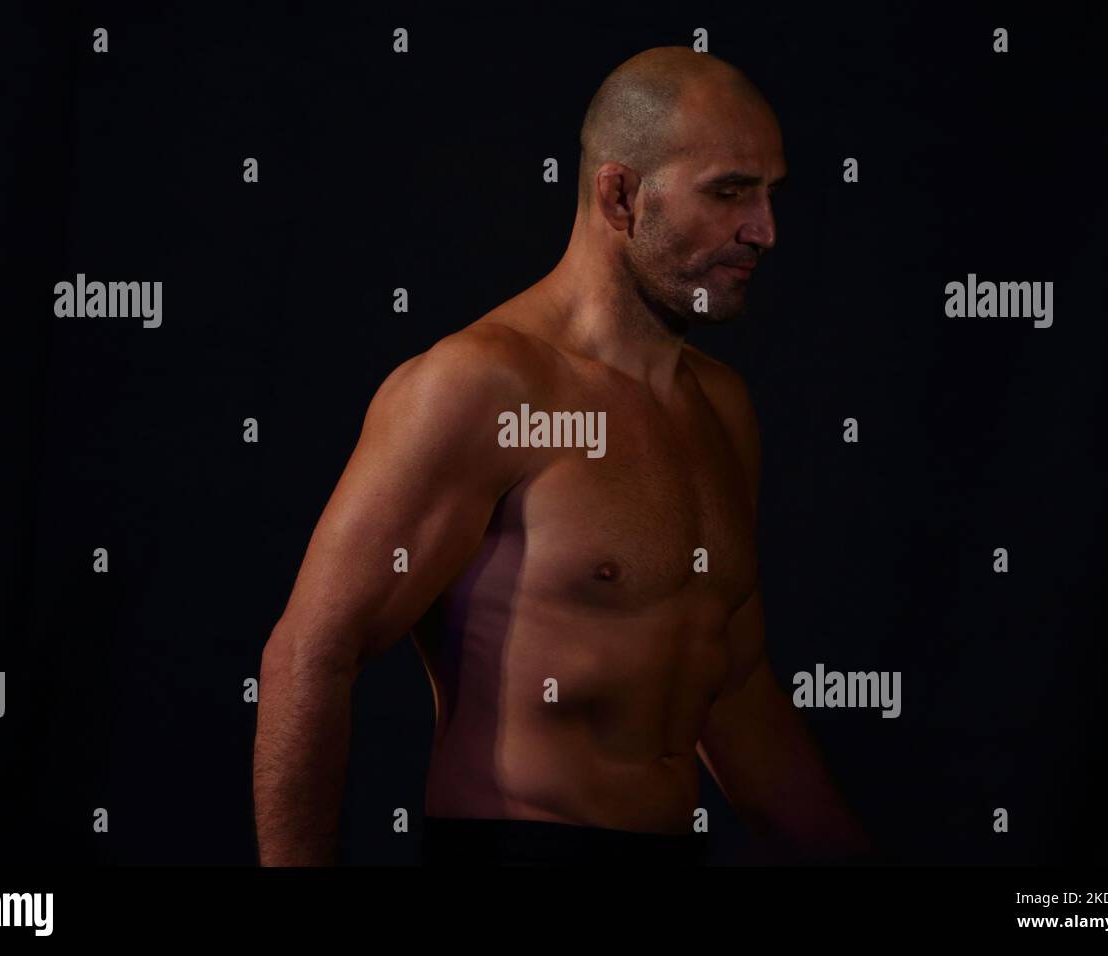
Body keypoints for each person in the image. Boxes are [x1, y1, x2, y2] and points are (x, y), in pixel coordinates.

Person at [253, 46, 873, 866]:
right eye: (729, 193)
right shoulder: (483, 385)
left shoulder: (721, 407)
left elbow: (735, 685)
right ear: (619, 195)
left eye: (767, 194)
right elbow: (311, 653)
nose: (763, 230)